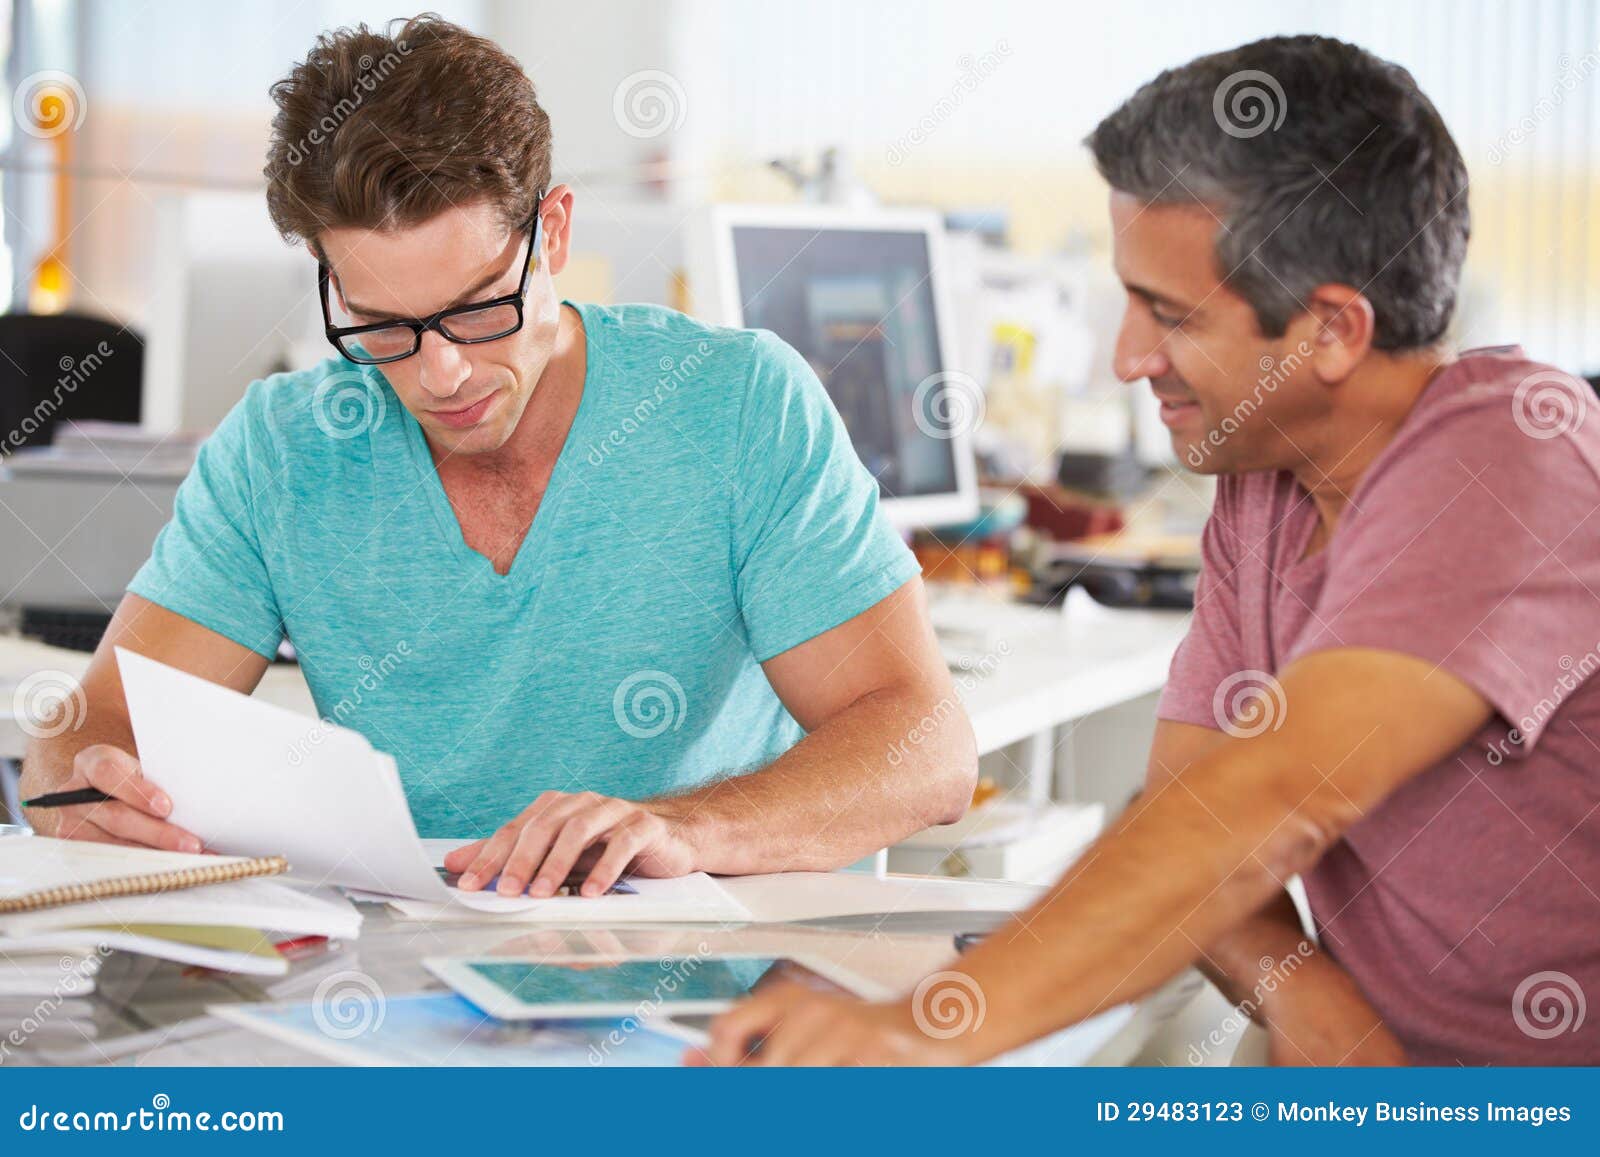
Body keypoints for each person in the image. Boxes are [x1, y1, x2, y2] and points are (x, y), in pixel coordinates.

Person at [698, 34, 1600, 1066]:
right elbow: (1188, 812)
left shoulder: (1512, 458)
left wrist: (916, 1030)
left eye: (1168, 315)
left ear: (1333, 330)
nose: (1127, 358)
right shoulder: (1264, 478)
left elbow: (1260, 796)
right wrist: (1310, 1002)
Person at [19, 14, 977, 900]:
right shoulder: (283, 450)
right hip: (408, 1000)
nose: (440, 372)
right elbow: (83, 735)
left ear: (552, 230)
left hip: (706, 1002)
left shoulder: (735, 408)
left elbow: (929, 750)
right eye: (382, 323)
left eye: (481, 307)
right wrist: (83, 784)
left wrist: (687, 826)